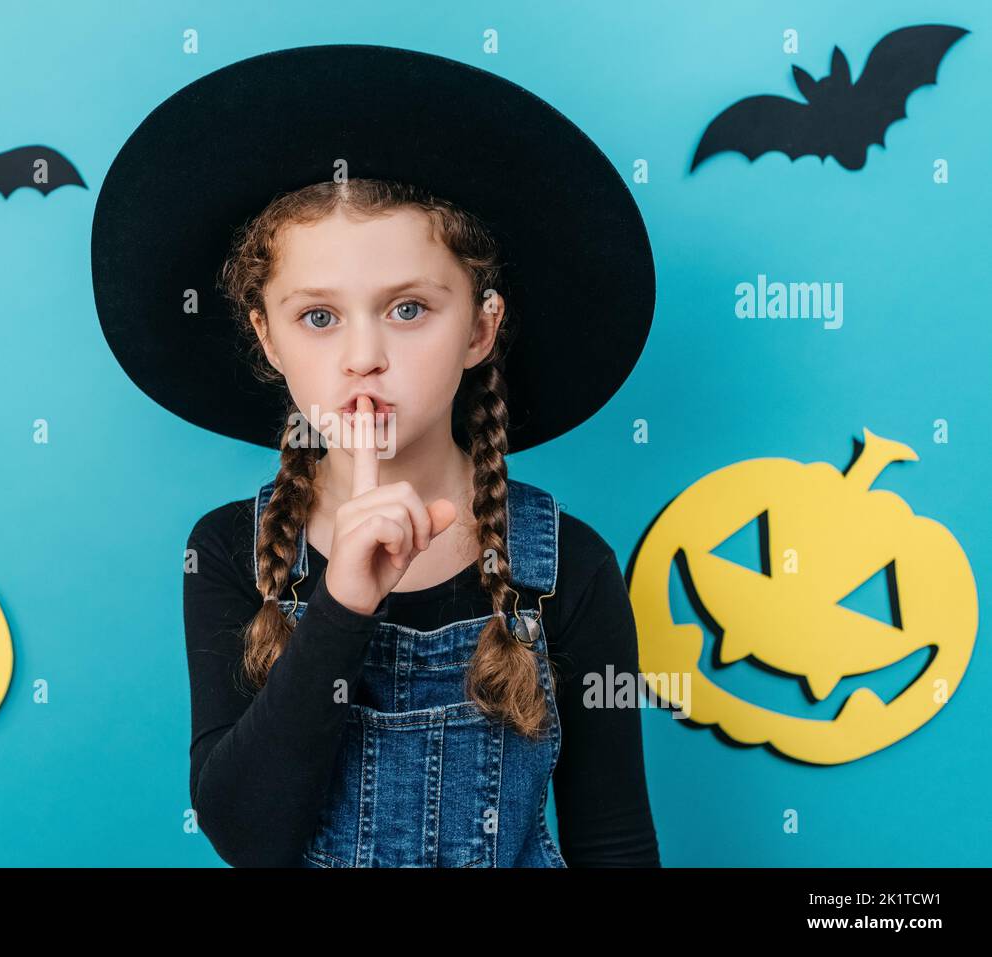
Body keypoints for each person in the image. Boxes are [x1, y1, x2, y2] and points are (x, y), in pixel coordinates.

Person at [91, 45, 661, 867]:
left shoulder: (570, 564)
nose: (364, 355)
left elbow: (615, 840)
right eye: (319, 317)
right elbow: (246, 833)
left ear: (479, 328)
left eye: (407, 308)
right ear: (268, 338)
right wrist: (342, 603)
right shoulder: (229, 551)